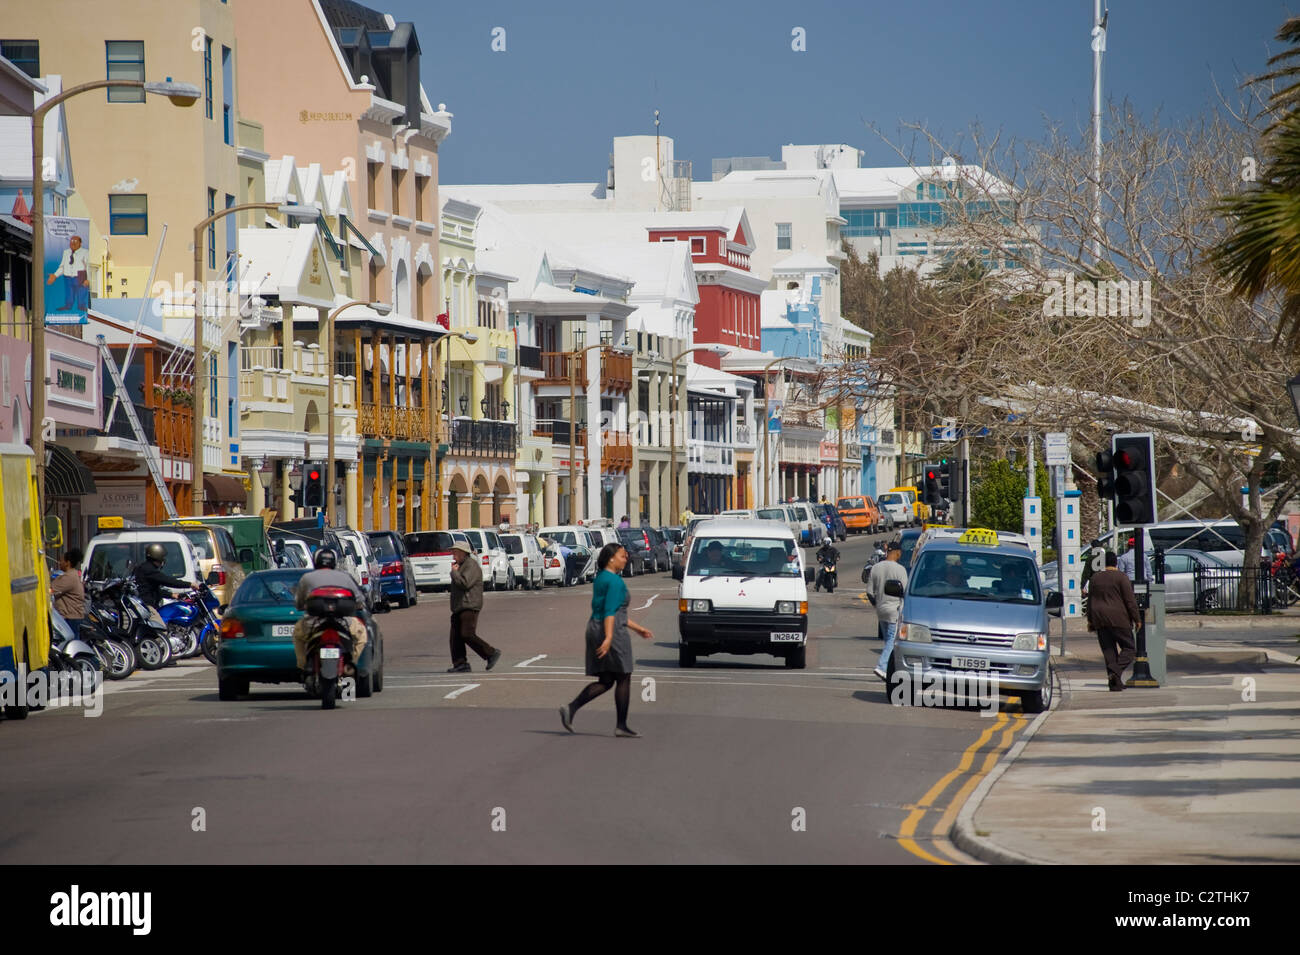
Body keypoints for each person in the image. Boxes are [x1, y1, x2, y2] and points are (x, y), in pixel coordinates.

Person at [559, 543, 653, 737]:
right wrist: (609, 637)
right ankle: (621, 725)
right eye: (622, 556)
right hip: (611, 630)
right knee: (624, 675)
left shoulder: (601, 578)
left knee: (608, 679)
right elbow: (611, 611)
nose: (625, 558)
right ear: (611, 558)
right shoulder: (615, 582)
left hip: (596, 626)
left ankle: (571, 708)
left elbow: (612, 611)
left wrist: (638, 628)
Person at [292, 547, 368, 671]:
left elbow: (299, 601)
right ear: (334, 561)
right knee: (362, 635)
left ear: (316, 561)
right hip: (344, 623)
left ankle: (303, 665)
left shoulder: (307, 578)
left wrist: (301, 605)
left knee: (297, 634)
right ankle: (351, 665)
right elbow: (359, 599)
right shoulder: (345, 577)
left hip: (313, 624)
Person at [1087, 551, 1141, 690]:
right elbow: (1130, 600)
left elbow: (1090, 600)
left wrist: (1090, 620)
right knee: (1129, 648)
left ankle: (1114, 683)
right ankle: (1115, 673)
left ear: (1104, 563)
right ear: (1116, 563)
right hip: (1119, 618)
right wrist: (1137, 618)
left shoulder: (1095, 578)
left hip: (1099, 618)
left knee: (1109, 651)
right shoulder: (1121, 577)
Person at [447, 541, 501, 673]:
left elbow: (465, 583)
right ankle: (460, 664)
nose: (454, 555)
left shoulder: (471, 565)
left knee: (467, 634)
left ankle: (491, 653)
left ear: (463, 553)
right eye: (453, 552)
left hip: (469, 605)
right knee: (455, 637)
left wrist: (454, 573)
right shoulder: (461, 565)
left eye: (456, 552)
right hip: (460, 606)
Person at [867, 544, 908, 680]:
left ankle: (890, 670)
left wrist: (876, 605)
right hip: (894, 611)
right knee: (892, 641)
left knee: (888, 642)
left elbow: (869, 592)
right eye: (900, 553)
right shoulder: (900, 570)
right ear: (897, 553)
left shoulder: (875, 567)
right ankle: (882, 667)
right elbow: (905, 592)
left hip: (880, 611)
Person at [132, 543, 193, 609]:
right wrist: (190, 584)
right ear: (158, 557)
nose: (164, 559)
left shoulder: (145, 567)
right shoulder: (149, 570)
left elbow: (152, 590)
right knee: (158, 620)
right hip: (147, 606)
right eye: (162, 557)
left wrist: (171, 595)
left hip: (146, 604)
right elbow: (167, 581)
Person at [51, 547, 86, 628]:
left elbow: (50, 589)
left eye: (61, 561)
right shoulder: (74, 574)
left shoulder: (69, 577)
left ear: (68, 563)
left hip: (70, 617)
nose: (59, 563)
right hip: (74, 616)